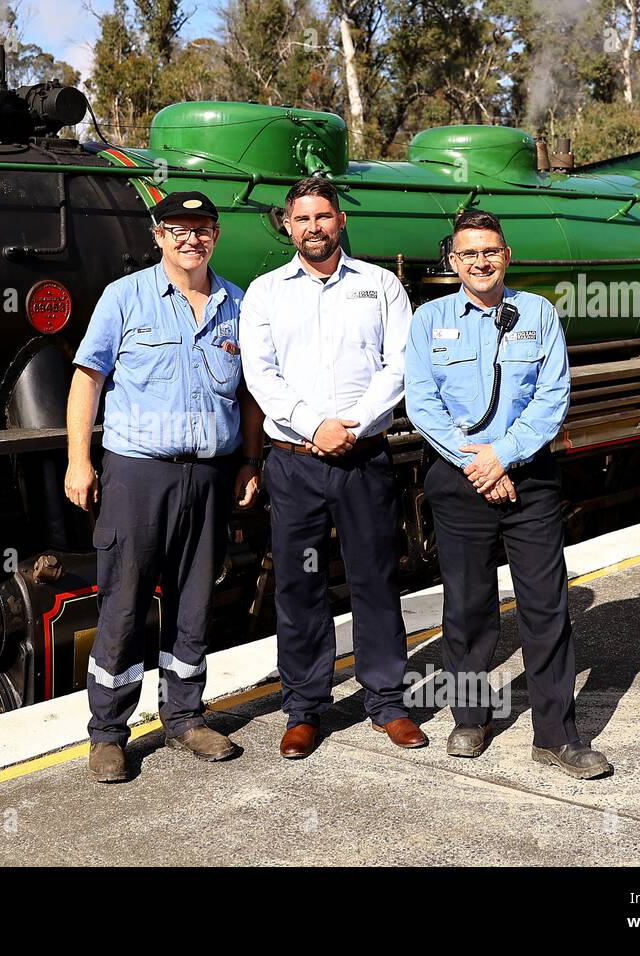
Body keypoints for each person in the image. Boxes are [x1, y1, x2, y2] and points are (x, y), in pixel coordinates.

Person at [404, 208, 612, 779]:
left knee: (545, 606)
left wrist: (503, 456)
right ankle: (471, 718)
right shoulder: (429, 319)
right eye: (468, 253)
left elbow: (552, 398)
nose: (480, 261)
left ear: (507, 256)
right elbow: (422, 402)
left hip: (528, 476)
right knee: (468, 607)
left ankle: (557, 735)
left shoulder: (538, 314)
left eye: (490, 251)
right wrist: (476, 462)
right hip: (459, 474)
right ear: (453, 261)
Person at [65, 190, 264, 783]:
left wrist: (250, 462)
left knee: (195, 597)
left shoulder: (238, 304)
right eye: (177, 229)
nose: (190, 239)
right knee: (124, 602)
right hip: (136, 473)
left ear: (216, 236)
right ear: (158, 235)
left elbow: (250, 393)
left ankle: (184, 718)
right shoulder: (124, 298)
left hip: (209, 472)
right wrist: (80, 461)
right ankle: (108, 734)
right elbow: (86, 379)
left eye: (201, 229)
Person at [240, 177, 417, 760]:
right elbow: (261, 374)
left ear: (339, 221)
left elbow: (399, 367)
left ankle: (387, 703)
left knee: (375, 579)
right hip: (294, 463)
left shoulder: (381, 285)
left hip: (363, 458)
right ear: (287, 226)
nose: (313, 227)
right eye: (302, 218)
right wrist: (314, 425)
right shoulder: (264, 294)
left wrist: (355, 425)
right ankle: (304, 709)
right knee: (299, 587)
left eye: (323, 216)